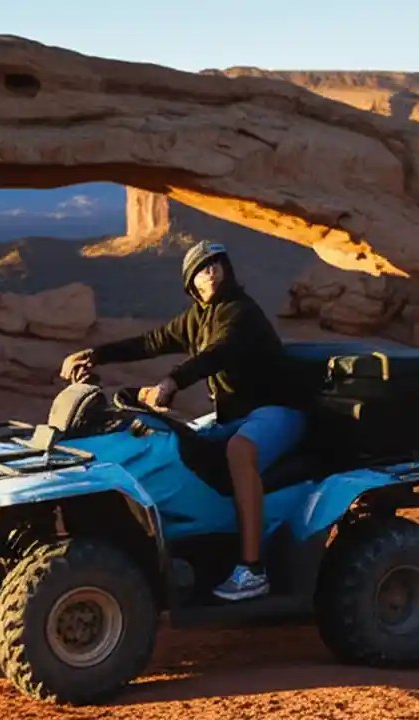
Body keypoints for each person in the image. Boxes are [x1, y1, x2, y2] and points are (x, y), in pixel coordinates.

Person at [59, 241, 304, 602]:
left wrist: (171, 381)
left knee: (240, 451)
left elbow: (215, 354)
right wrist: (95, 356)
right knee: (176, 444)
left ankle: (252, 569)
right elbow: (150, 342)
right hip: (233, 416)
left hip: (277, 409)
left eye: (217, 263)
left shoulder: (239, 312)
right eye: (203, 268)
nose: (212, 270)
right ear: (192, 285)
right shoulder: (196, 318)